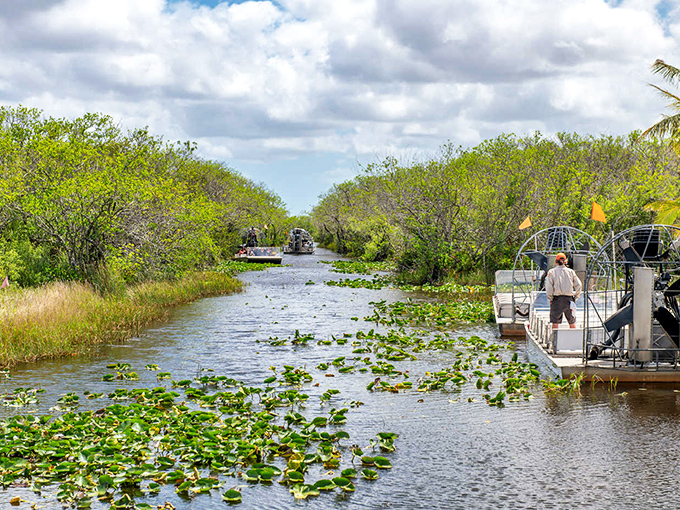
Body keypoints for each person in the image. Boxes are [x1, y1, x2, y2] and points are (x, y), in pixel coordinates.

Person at [545, 252, 582, 329]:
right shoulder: (571, 272)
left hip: (557, 299)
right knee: (572, 321)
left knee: (555, 322)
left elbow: (549, 287)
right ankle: (574, 338)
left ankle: (554, 339)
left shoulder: (551, 272)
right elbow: (579, 285)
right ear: (565, 261)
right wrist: (576, 297)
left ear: (556, 261)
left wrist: (550, 298)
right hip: (569, 299)